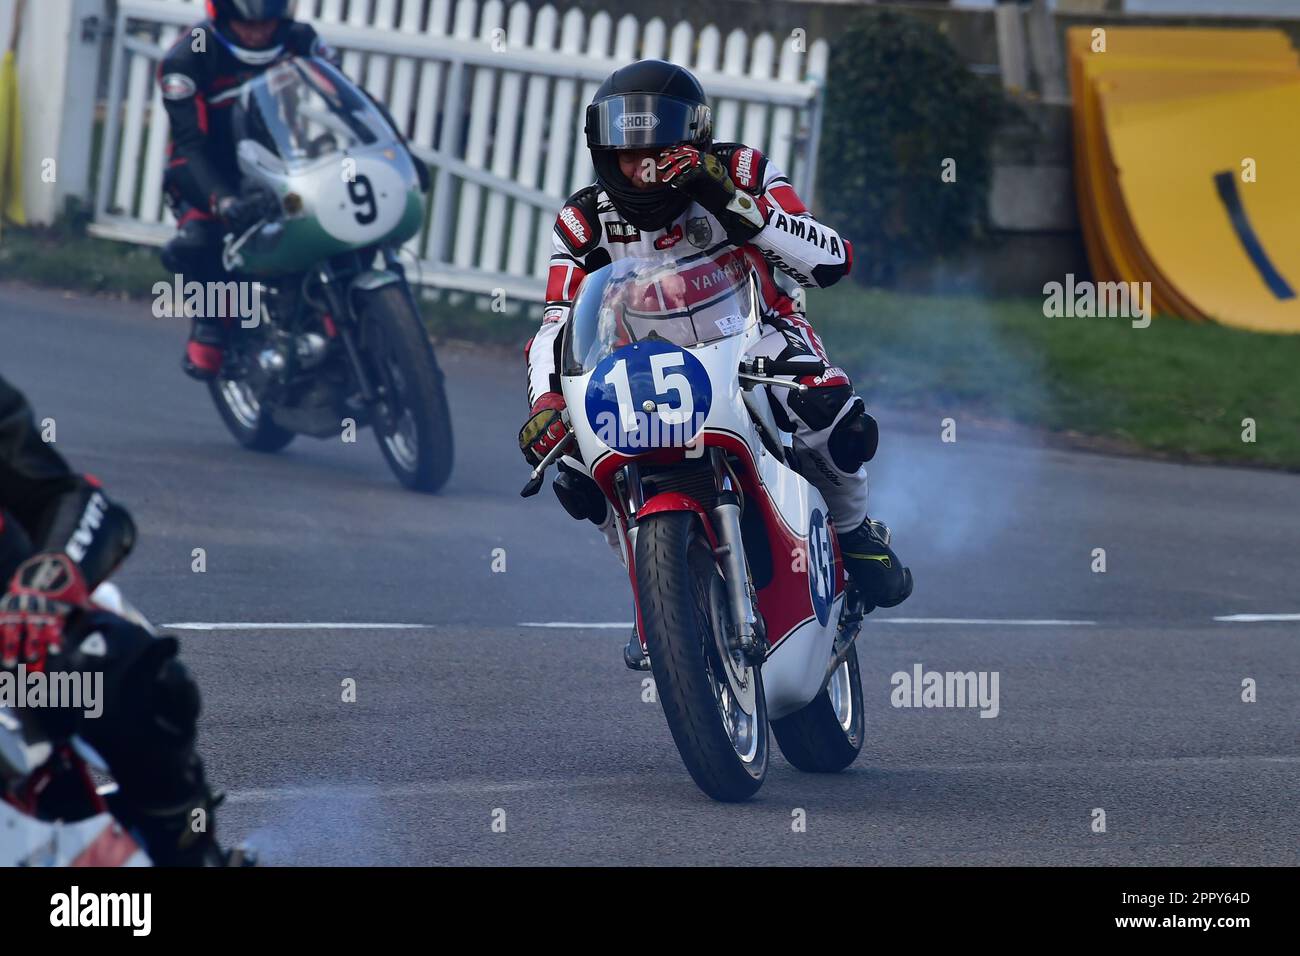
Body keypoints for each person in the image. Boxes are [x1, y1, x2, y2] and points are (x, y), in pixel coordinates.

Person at [518, 60, 913, 664]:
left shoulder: (743, 170)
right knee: (570, 463)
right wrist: (546, 400)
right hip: (641, 364)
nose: (642, 169)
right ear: (602, 152)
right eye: (627, 154)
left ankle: (855, 533)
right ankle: (650, 587)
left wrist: (732, 203)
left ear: (695, 140)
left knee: (831, 411)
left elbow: (830, 261)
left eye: (660, 152)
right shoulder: (583, 218)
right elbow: (557, 319)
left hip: (758, 338)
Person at [0, 374, 227, 865]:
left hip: (15, 656)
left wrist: (46, 581)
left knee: (124, 666)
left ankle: (189, 848)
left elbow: (78, 501)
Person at [157, 0, 428, 380]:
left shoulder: (302, 40)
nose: (257, 33)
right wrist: (224, 201)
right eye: (245, 25)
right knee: (203, 238)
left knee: (336, 213)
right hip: (206, 172)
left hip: (281, 159)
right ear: (221, 16)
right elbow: (188, 146)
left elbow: (348, 99)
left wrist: (401, 152)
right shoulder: (188, 58)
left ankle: (355, 313)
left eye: (267, 25)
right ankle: (211, 326)